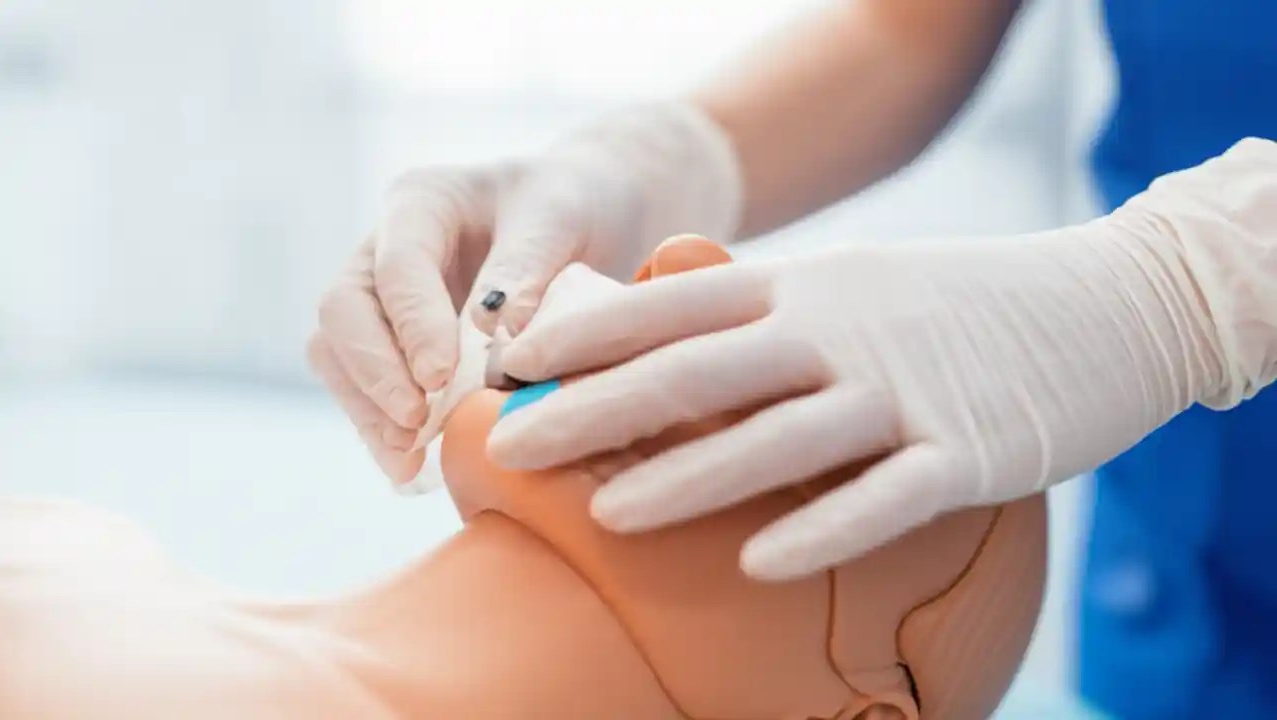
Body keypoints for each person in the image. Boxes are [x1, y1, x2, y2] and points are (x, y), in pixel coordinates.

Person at [308, 1, 1277, 717]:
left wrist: (1195, 281)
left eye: (826, 450)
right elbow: (909, 30)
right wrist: (652, 163)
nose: (678, 266)